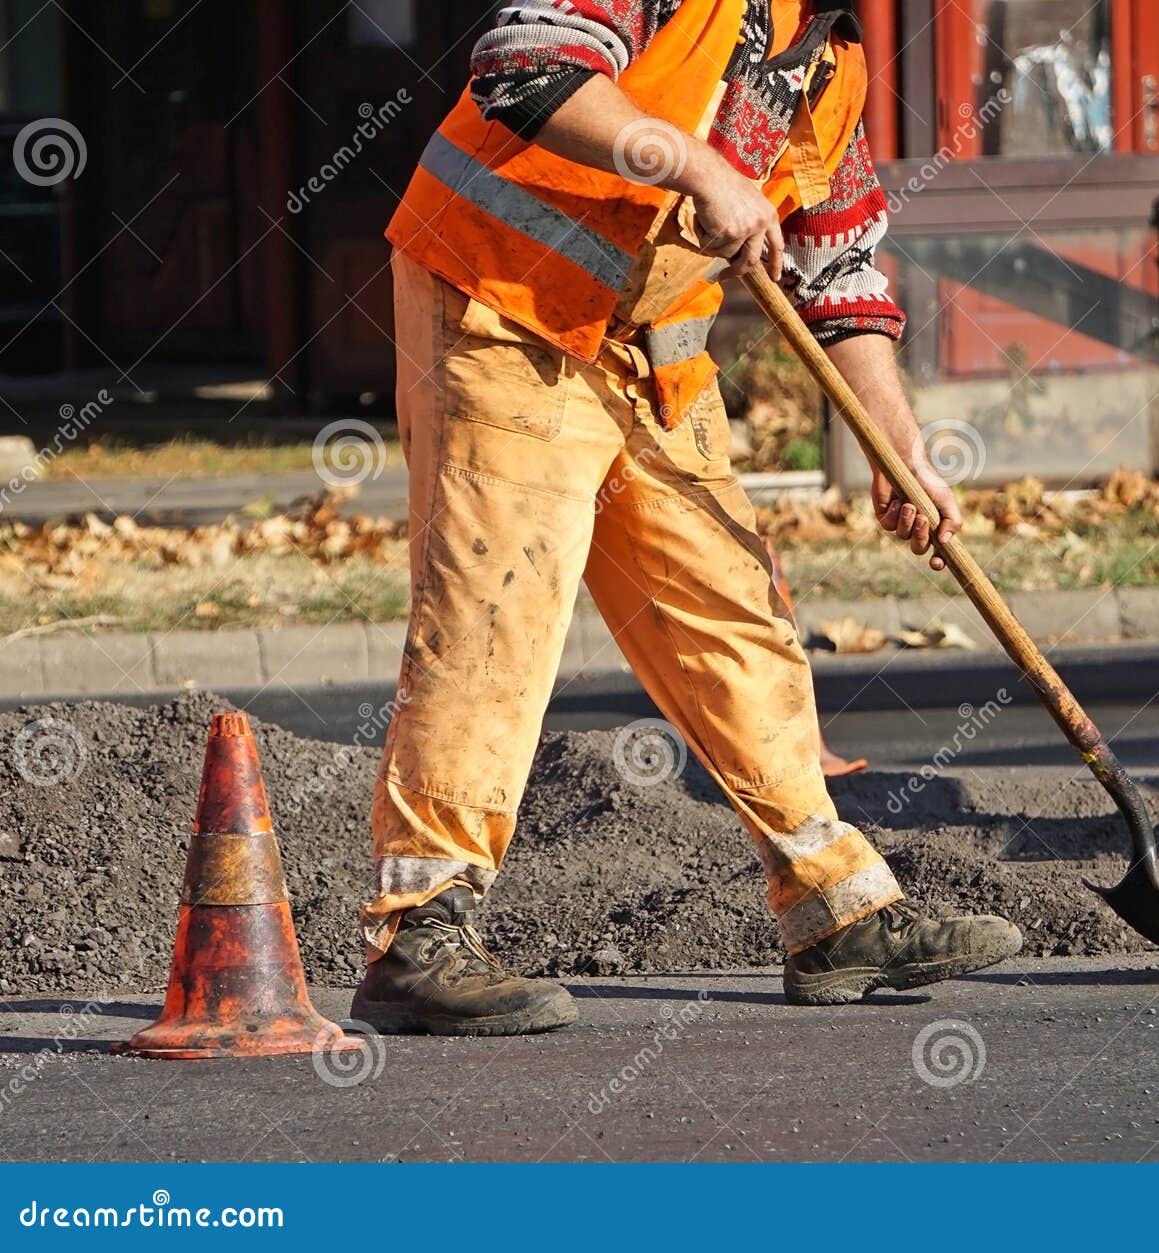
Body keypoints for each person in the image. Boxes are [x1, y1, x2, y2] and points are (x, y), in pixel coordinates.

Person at [352, 0, 1022, 1036]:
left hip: (647, 353)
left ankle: (835, 909)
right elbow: (524, 67)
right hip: (501, 305)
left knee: (736, 610)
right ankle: (418, 934)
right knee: (497, 610)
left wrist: (898, 444)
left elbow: (838, 275)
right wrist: (699, 169)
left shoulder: (830, 68)